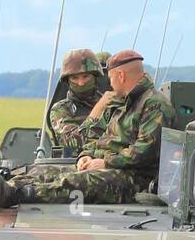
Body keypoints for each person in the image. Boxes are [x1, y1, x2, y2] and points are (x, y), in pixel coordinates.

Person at [12, 49, 173, 205]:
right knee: (44, 172)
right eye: (75, 78)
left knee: (78, 182)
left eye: (110, 78)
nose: (109, 83)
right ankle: (8, 187)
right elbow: (98, 136)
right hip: (113, 167)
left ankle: (18, 194)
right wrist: (86, 155)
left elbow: (144, 151)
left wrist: (105, 162)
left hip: (136, 177)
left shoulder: (154, 104)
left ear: (121, 76)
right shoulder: (121, 102)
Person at [47, 49, 107, 152]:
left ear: (95, 77)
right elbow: (74, 142)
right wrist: (98, 110)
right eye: (75, 78)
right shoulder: (60, 110)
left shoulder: (111, 104)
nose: (81, 83)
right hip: (76, 164)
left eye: (86, 76)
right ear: (67, 81)